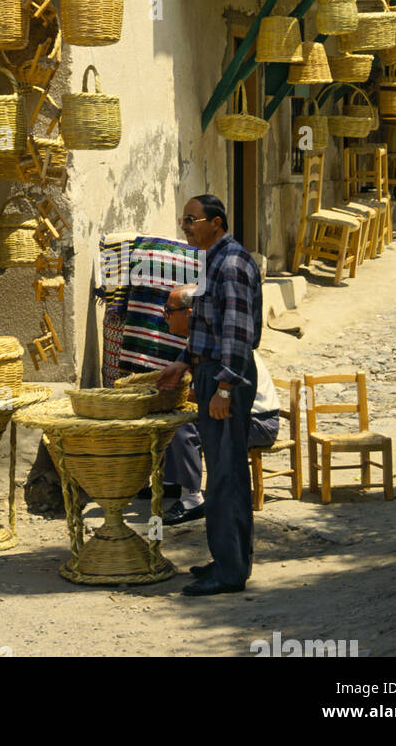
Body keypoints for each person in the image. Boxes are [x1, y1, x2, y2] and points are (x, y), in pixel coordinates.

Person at [157, 194, 263, 595]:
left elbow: (236, 332)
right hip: (211, 373)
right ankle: (228, 561)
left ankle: (230, 573)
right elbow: (208, 323)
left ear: (216, 223)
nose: (185, 226)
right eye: (183, 219)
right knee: (221, 472)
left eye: (192, 220)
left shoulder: (231, 263)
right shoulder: (211, 260)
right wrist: (184, 361)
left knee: (225, 476)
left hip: (225, 379)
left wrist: (223, 387)